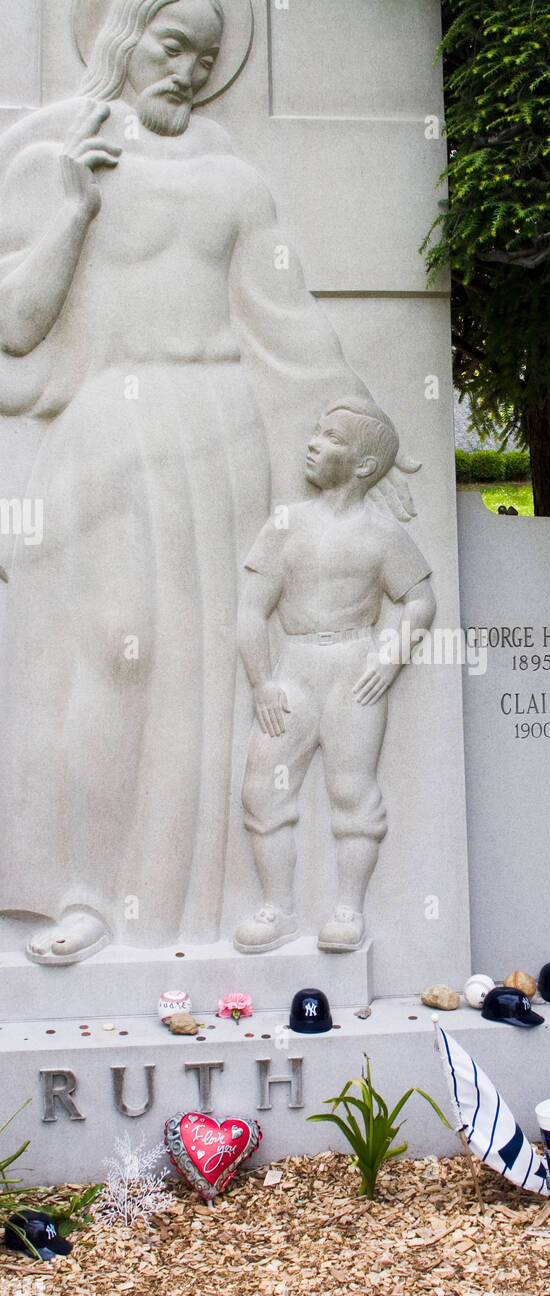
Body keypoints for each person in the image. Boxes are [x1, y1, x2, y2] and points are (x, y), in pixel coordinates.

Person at [0, 0, 365, 963]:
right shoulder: (53, 154)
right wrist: (75, 212)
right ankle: (82, 891)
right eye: (174, 48)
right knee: (110, 660)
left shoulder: (236, 184)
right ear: (124, 40)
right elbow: (12, 325)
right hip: (105, 436)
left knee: (207, 673)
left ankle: (175, 912)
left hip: (219, 435)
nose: (191, 72)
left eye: (207, 57)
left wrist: (361, 429)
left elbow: (287, 323)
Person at [236, 398, 436, 954]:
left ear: (365, 466)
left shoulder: (381, 533)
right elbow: (252, 608)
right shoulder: (286, 524)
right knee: (263, 787)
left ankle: (348, 909)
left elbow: (420, 599)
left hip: (354, 671)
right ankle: (277, 908)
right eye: (315, 433)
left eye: (329, 439)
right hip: (294, 668)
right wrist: (261, 683)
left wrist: (390, 657)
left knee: (351, 790)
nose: (313, 444)